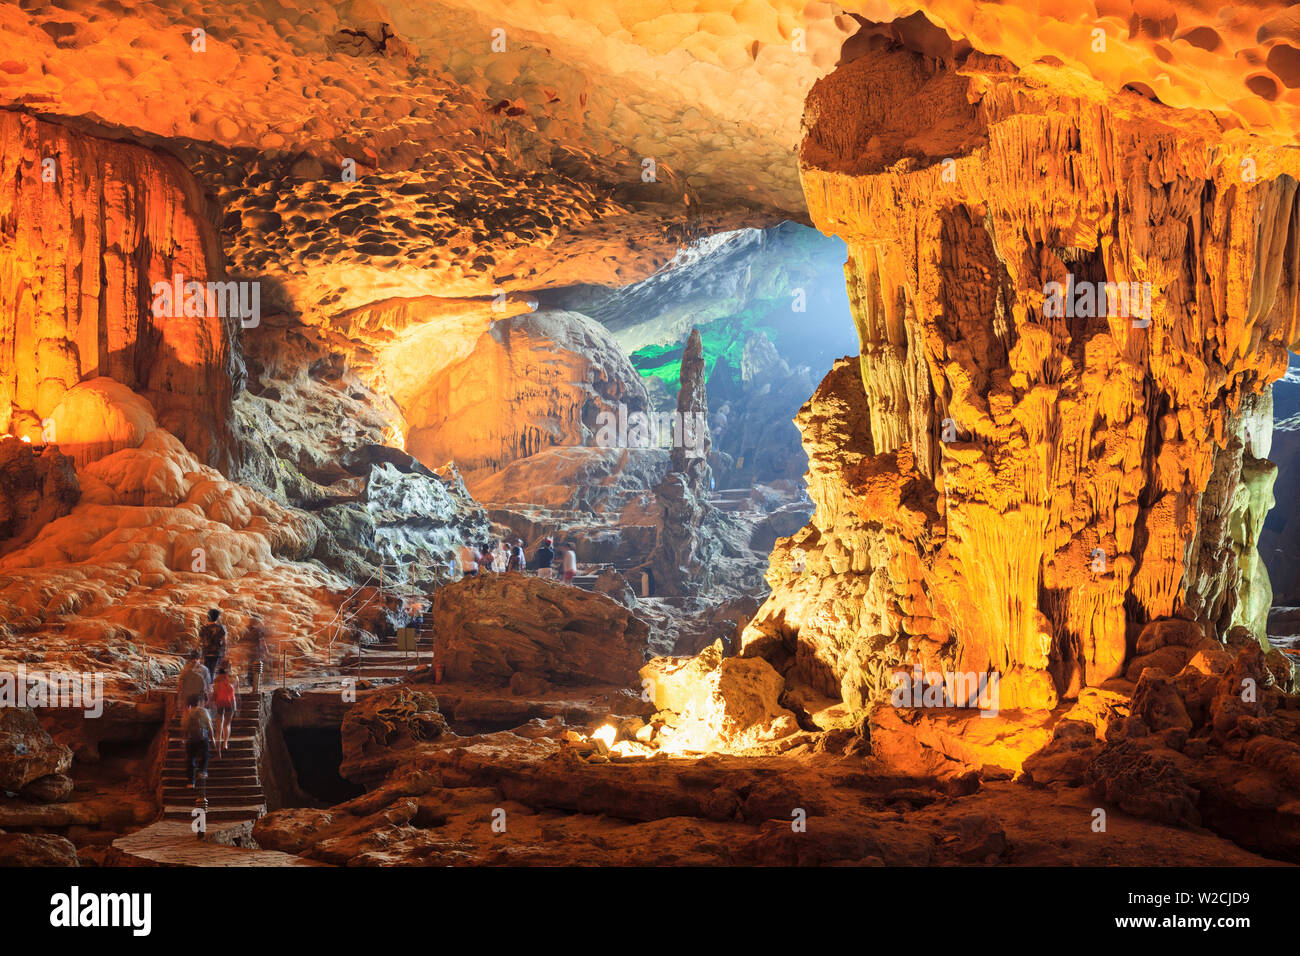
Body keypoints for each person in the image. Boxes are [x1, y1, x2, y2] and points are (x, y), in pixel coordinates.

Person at [182, 694, 213, 789]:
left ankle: (191, 782)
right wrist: (213, 737)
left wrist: (184, 738)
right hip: (203, 738)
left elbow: (185, 727)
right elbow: (209, 725)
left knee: (190, 760)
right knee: (206, 754)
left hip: (191, 739)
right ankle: (202, 771)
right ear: (199, 702)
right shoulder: (204, 711)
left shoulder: (187, 714)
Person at [210, 667, 237, 756]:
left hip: (220, 703)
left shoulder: (216, 682)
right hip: (230, 703)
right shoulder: (232, 680)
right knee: (227, 724)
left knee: (220, 723)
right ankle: (225, 743)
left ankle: (219, 747)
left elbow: (214, 695)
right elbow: (234, 693)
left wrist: (209, 702)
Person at [245, 618, 270, 694]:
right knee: (256, 666)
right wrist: (266, 650)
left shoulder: (248, 630)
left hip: (250, 651)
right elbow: (262, 640)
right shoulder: (258, 631)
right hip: (256, 650)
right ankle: (254, 684)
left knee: (250, 666)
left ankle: (250, 681)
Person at [199, 608, 226, 678]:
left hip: (206, 652)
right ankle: (211, 684)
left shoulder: (203, 628)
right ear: (217, 617)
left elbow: (199, 641)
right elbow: (224, 642)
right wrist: (224, 652)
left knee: (206, 670)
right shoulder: (220, 628)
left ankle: (207, 685)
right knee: (213, 670)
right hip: (216, 652)